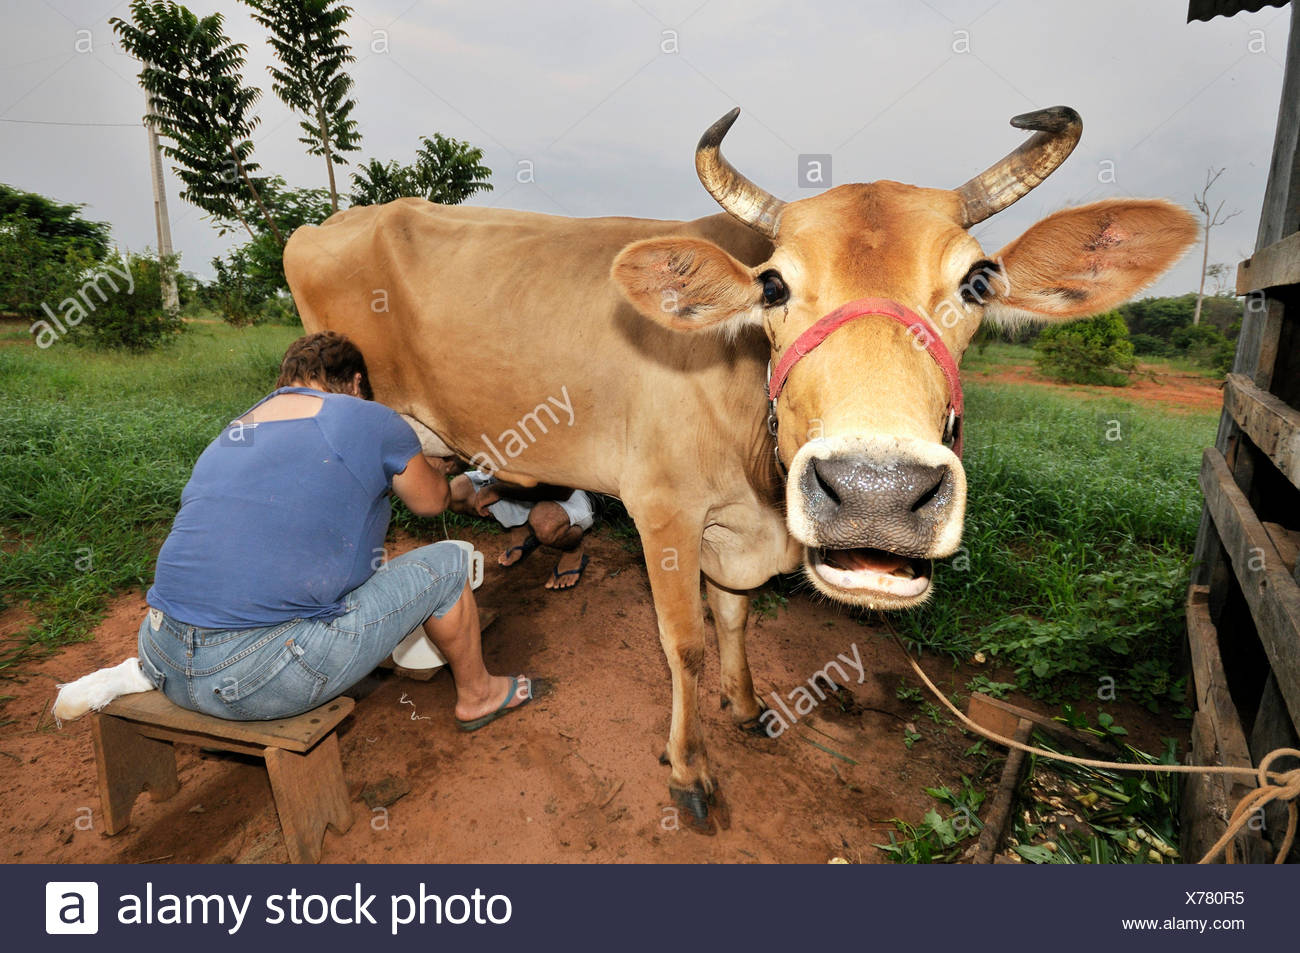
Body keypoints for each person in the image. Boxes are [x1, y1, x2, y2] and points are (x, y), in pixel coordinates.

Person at [54, 332, 537, 731]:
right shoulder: (370, 416)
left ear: (285, 383)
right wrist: (458, 486)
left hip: (160, 655)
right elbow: (431, 502)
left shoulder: (235, 428)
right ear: (355, 384)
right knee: (448, 565)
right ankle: (479, 695)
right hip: (255, 681)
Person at [449, 470, 594, 590]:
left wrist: (499, 490)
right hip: (522, 475)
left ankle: (572, 552)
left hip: (577, 485)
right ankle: (521, 528)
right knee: (456, 492)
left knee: (545, 524)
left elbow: (562, 491)